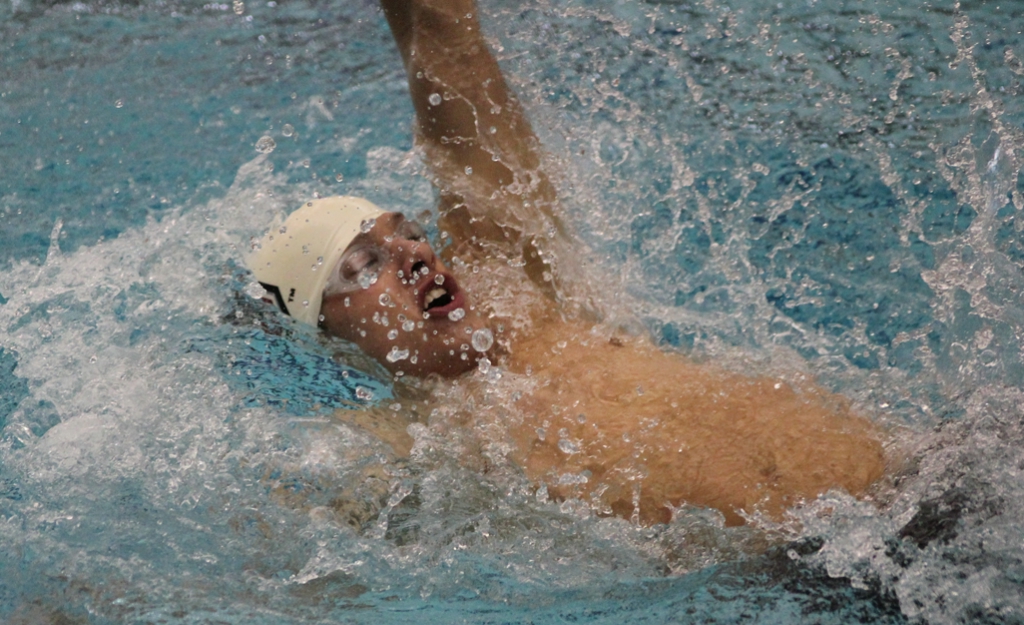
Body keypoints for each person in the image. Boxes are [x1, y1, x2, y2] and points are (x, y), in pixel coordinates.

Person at [249, 0, 887, 527]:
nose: (414, 254)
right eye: (363, 264)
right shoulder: (407, 443)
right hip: (815, 574)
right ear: (327, 337)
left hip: (923, 476)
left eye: (408, 233)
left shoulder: (525, 296)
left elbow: (441, 25)